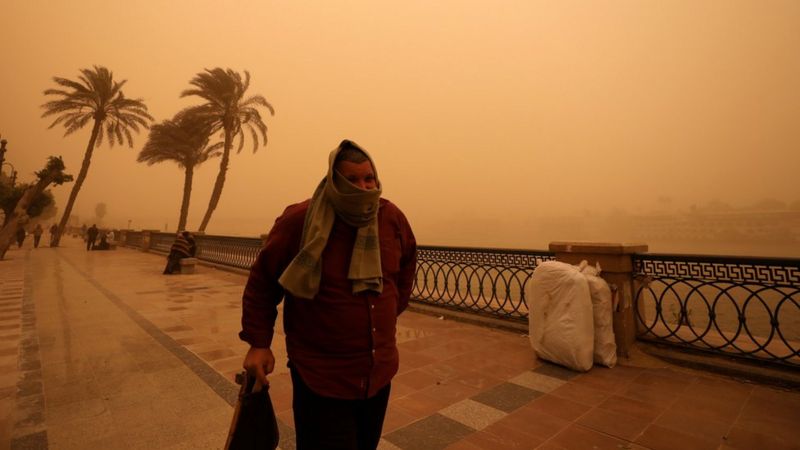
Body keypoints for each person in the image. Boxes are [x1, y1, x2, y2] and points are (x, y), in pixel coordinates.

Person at [240, 140, 417, 450]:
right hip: (320, 376)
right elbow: (263, 281)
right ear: (333, 180)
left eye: (368, 178)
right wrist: (259, 343)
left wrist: (385, 314)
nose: (363, 187)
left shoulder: (391, 218)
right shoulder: (302, 220)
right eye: (351, 180)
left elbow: (405, 268)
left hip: (378, 372)